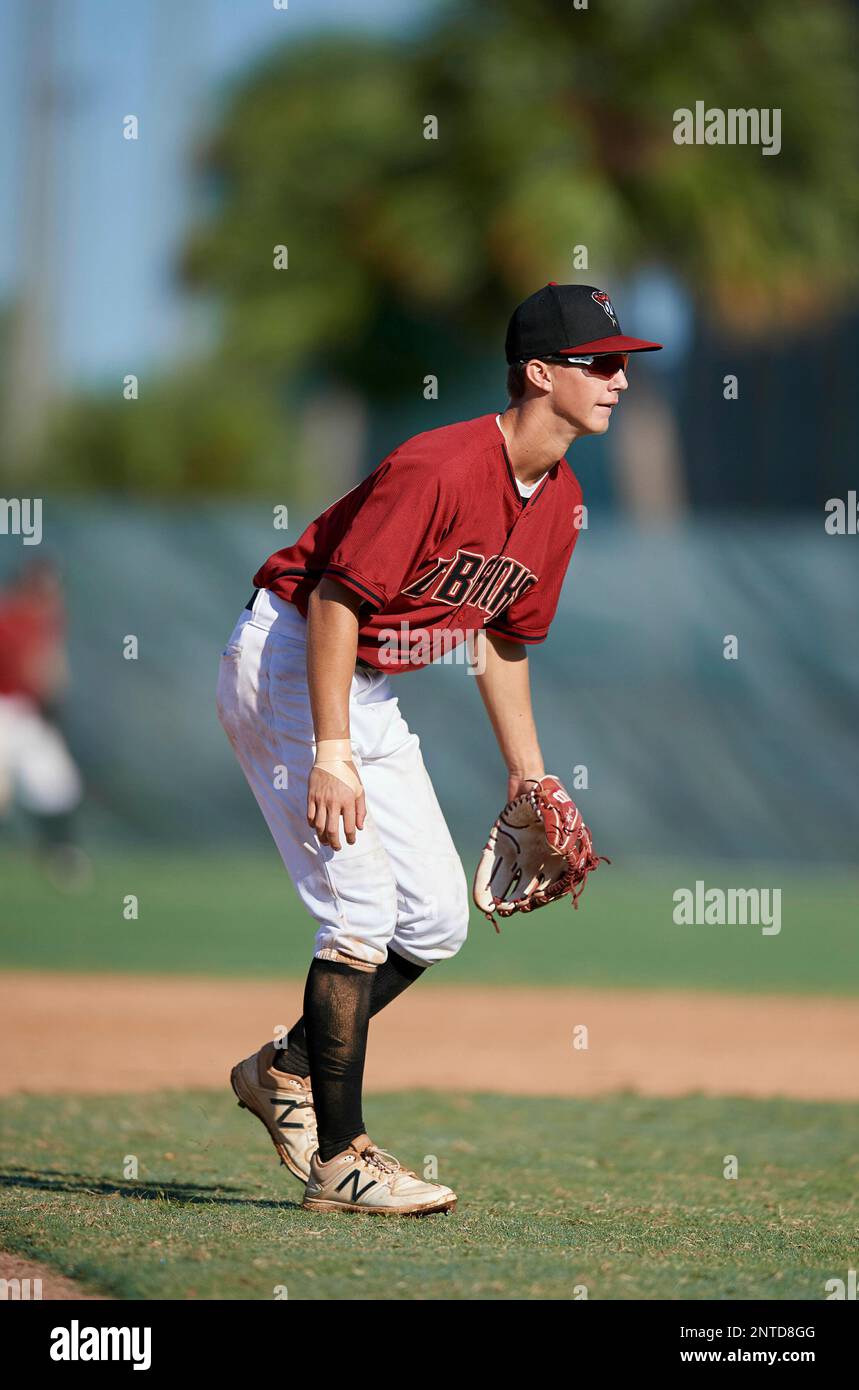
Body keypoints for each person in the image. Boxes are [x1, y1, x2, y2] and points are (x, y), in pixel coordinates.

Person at [218, 283, 661, 1216]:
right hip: (292, 659)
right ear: (539, 374)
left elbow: (501, 638)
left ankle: (280, 1072)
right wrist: (331, 750)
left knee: (433, 923)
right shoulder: (439, 465)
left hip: (358, 685)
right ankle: (342, 1159)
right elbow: (334, 600)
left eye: (623, 363)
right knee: (361, 908)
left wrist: (530, 775)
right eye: (601, 363)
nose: (619, 379)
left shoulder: (562, 496)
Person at [0, 557, 90, 891]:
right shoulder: (10, 617)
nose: (51, 595)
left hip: (30, 714)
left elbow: (49, 668)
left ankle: (60, 856)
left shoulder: (47, 618)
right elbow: (39, 668)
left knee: (55, 784)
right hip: (5, 710)